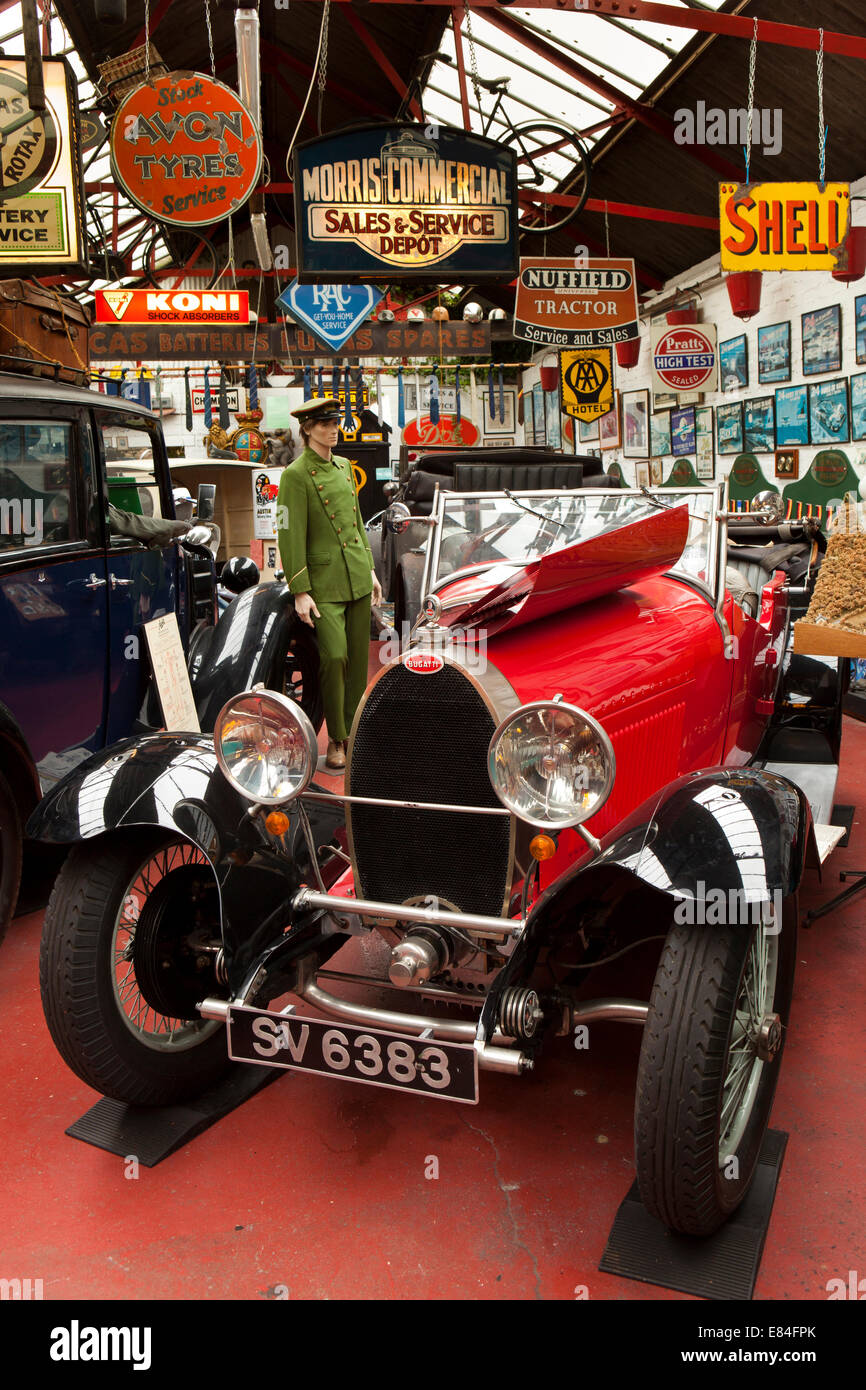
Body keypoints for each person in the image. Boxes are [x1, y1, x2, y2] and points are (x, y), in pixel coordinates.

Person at [276, 397, 382, 770]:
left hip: (355, 576)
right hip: (322, 583)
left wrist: (369, 568)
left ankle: (354, 731)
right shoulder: (295, 475)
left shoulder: (342, 466)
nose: (332, 429)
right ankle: (336, 737)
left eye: (335, 422)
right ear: (306, 429)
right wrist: (300, 589)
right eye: (323, 424)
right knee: (334, 656)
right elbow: (289, 534)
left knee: (356, 662)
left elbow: (355, 522)